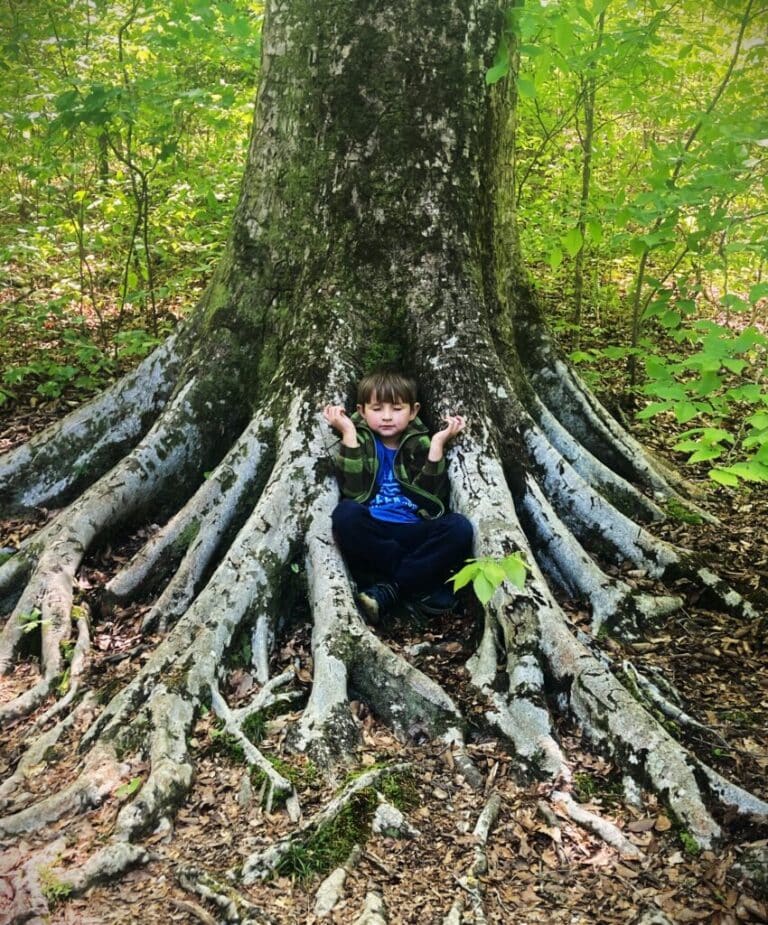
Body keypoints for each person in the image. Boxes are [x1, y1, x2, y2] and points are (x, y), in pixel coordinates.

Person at [323, 368, 473, 623]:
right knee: (346, 514)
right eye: (377, 409)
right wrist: (348, 433)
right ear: (361, 411)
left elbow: (429, 496)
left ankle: (390, 588)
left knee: (459, 527)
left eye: (397, 408)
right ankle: (417, 582)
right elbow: (354, 491)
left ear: (413, 411)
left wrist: (437, 445)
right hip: (374, 531)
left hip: (414, 529)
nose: (387, 417)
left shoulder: (418, 442)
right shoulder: (359, 441)